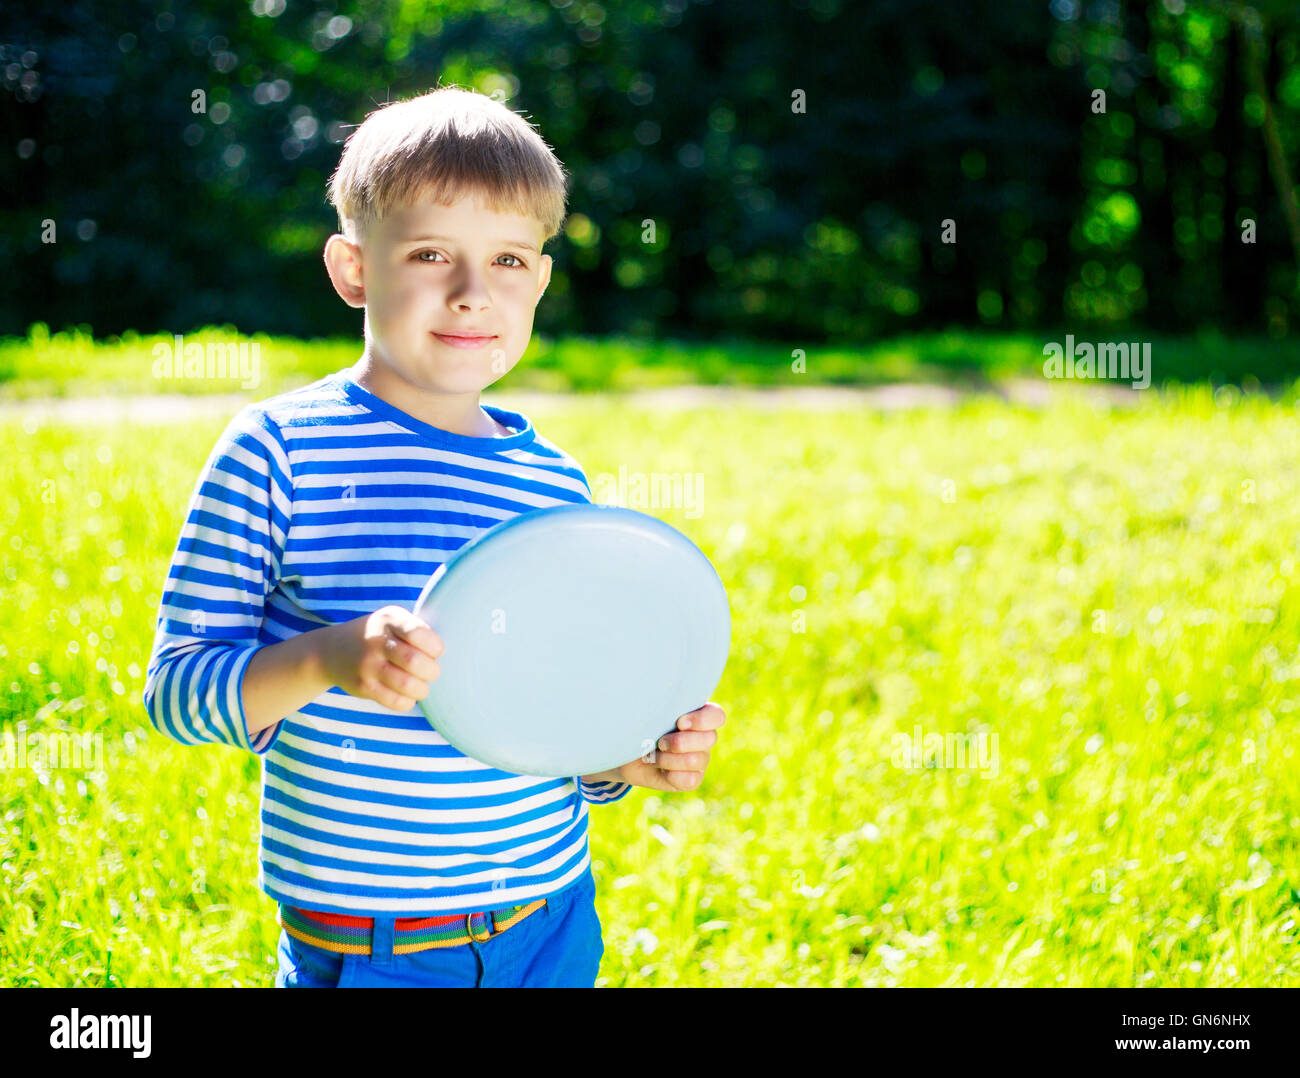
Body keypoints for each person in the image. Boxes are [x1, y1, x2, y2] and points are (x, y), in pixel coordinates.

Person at [142, 84, 726, 987]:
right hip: (380, 943)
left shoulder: (553, 485)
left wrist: (628, 754)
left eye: (506, 260)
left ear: (537, 277)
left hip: (550, 921)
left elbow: (546, 710)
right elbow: (178, 692)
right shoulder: (278, 450)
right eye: (428, 253)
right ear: (353, 270)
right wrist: (331, 658)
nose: (470, 294)